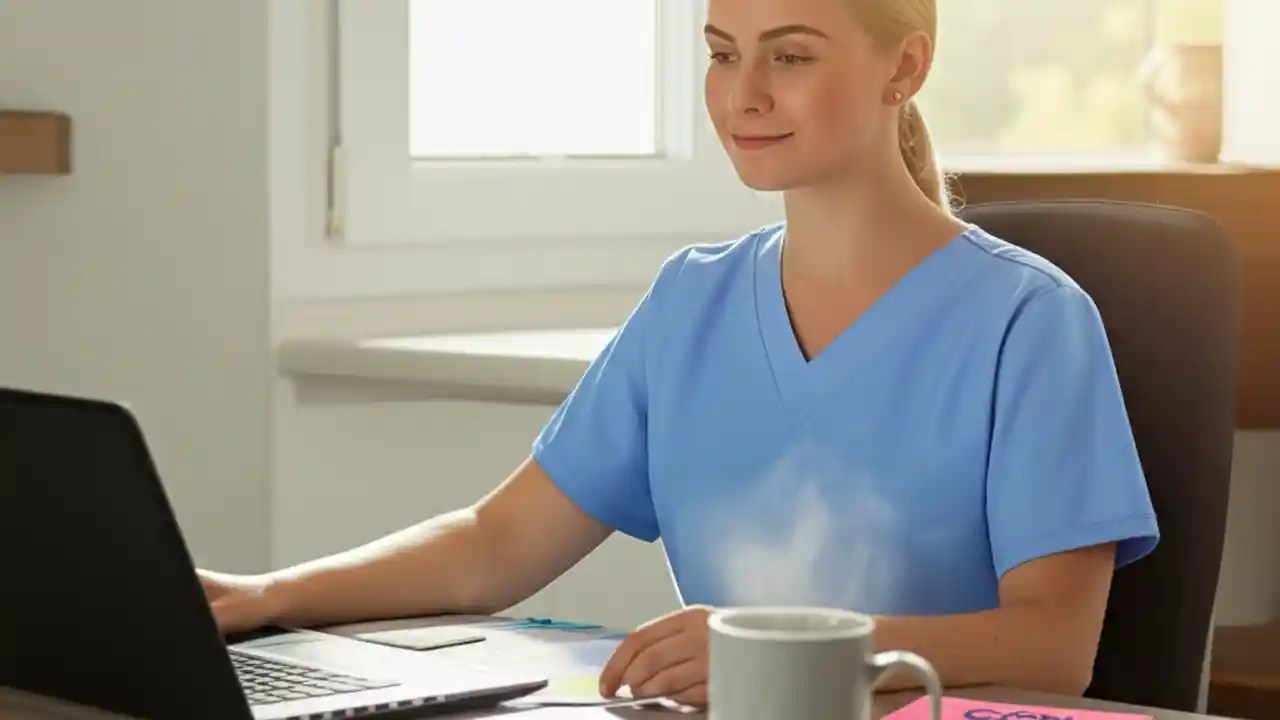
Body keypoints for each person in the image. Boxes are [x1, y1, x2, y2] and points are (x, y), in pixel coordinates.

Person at [200, 0, 1160, 708]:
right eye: (721, 53)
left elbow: (1053, 648)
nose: (742, 96)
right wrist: (266, 596)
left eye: (789, 56)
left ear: (903, 69)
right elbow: (493, 548)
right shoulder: (690, 303)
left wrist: (768, 648)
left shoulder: (1030, 322)